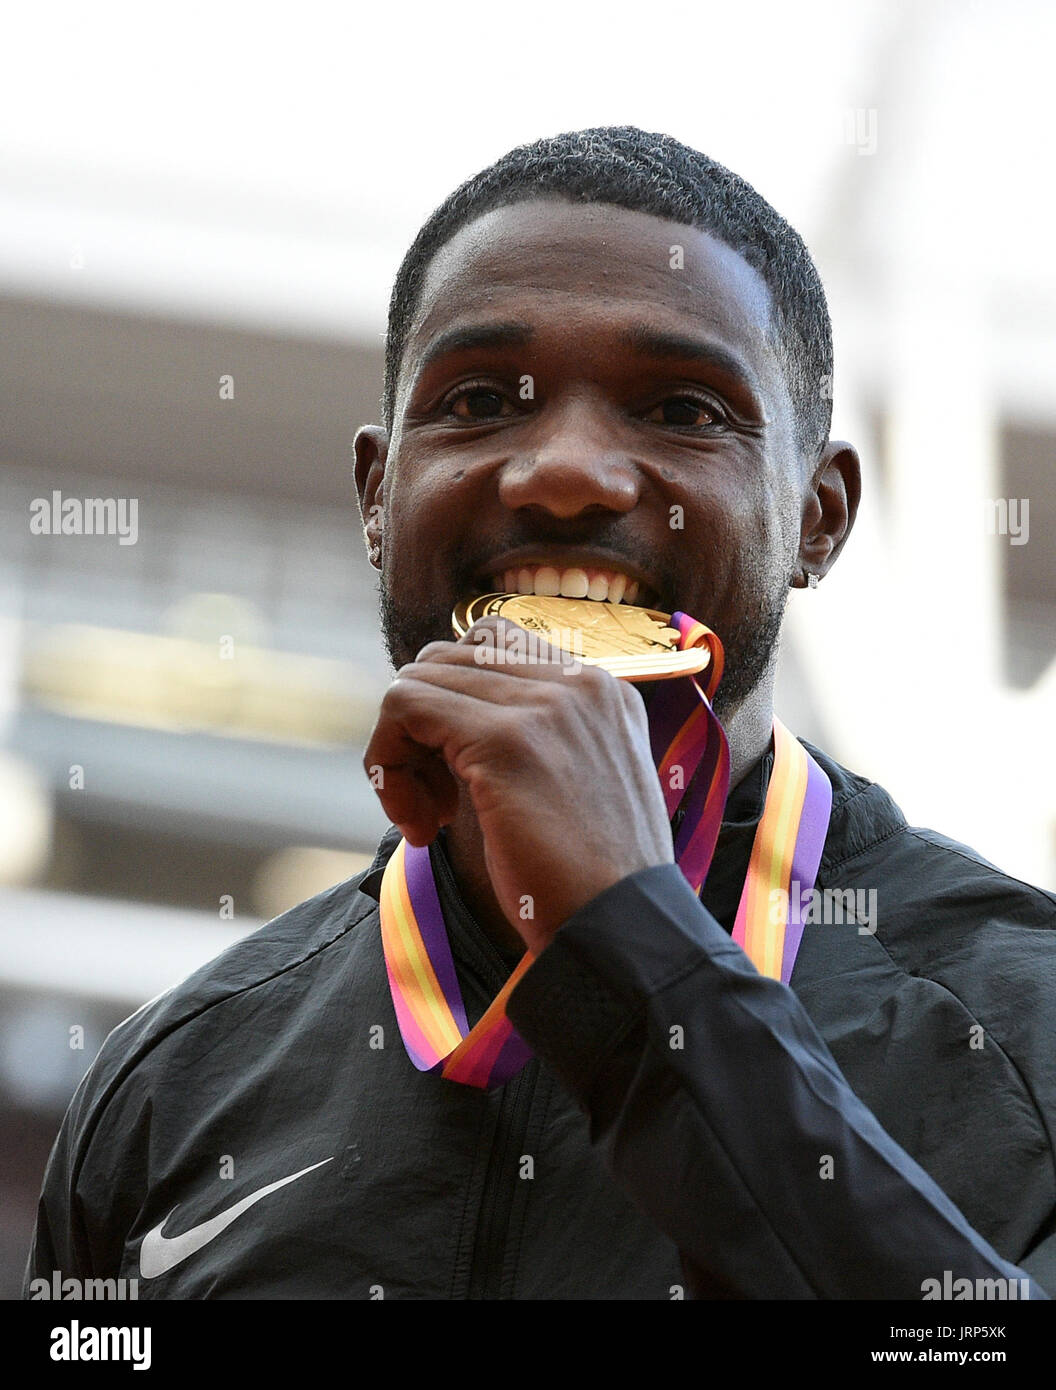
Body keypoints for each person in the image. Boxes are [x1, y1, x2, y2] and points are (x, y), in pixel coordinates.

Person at [25, 126, 1056, 1301]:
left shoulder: (1026, 1019)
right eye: (475, 401)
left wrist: (631, 938)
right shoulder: (175, 1080)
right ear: (378, 494)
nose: (566, 474)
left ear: (818, 520)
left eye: (684, 410)